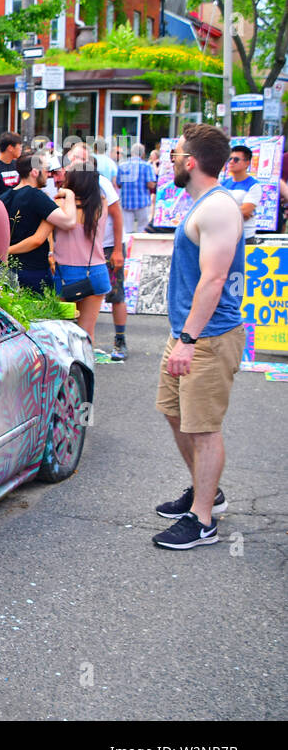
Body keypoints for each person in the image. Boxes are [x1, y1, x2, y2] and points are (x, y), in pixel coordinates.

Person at [152, 124, 246, 550]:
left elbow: (214, 279)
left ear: (190, 162)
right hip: (186, 333)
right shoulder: (202, 205)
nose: (170, 160)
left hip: (206, 336)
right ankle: (205, 489)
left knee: (204, 428)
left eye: (175, 154)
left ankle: (203, 520)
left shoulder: (219, 208)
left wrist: (188, 340)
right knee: (175, 413)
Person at [66, 141, 127, 359]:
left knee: (116, 295)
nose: (77, 164)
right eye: (74, 159)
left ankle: (120, 340)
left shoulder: (99, 185)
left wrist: (118, 249)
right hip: (87, 256)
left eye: (81, 160)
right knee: (84, 318)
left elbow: (117, 215)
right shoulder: (71, 187)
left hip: (106, 247)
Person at [51, 163, 109, 343]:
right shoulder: (100, 204)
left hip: (65, 272)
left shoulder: (60, 204)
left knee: (62, 334)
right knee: (86, 334)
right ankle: (87, 370)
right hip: (96, 271)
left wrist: (66, 193)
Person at [3, 152, 78, 291]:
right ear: (34, 172)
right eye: (46, 169)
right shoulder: (36, 196)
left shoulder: (4, 197)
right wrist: (70, 194)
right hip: (34, 271)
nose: (49, 174)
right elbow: (69, 222)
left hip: (7, 269)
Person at [220, 145, 261, 241]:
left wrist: (222, 211)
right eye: (229, 159)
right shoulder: (222, 184)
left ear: (247, 163)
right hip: (223, 236)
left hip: (244, 237)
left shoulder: (254, 185)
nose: (231, 162)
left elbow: (246, 211)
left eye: (236, 159)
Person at [115, 142, 157, 234]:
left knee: (127, 230)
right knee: (143, 229)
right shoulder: (147, 166)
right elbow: (150, 185)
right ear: (142, 153)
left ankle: (127, 247)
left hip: (126, 202)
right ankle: (140, 248)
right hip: (142, 202)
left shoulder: (122, 166)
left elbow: (118, 184)